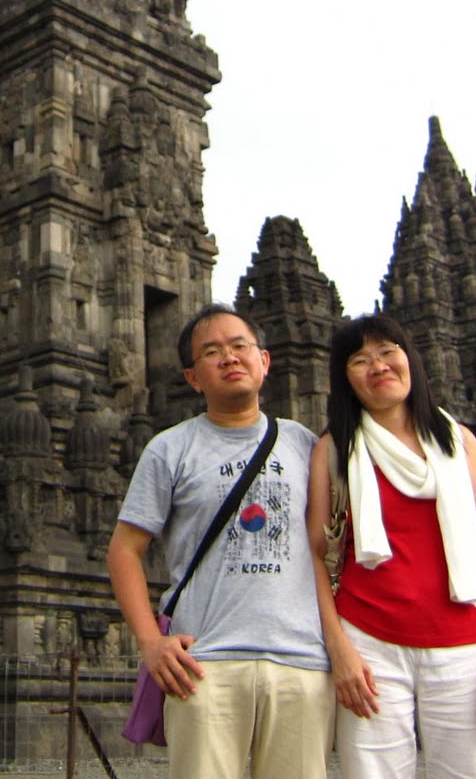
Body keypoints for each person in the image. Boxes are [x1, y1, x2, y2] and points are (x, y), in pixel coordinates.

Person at [107, 303, 332, 779]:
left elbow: (331, 543)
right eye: (212, 352)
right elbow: (125, 550)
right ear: (193, 377)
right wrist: (150, 643)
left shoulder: (304, 444)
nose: (229, 358)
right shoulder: (170, 448)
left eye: (239, 347)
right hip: (204, 665)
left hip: (301, 662)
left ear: (264, 361)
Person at [307, 312, 476, 779]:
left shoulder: (459, 442)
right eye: (360, 359)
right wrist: (339, 649)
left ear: (409, 360)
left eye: (387, 352)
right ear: (346, 378)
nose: (378, 366)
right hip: (369, 645)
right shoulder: (334, 450)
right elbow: (319, 558)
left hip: (464, 645)